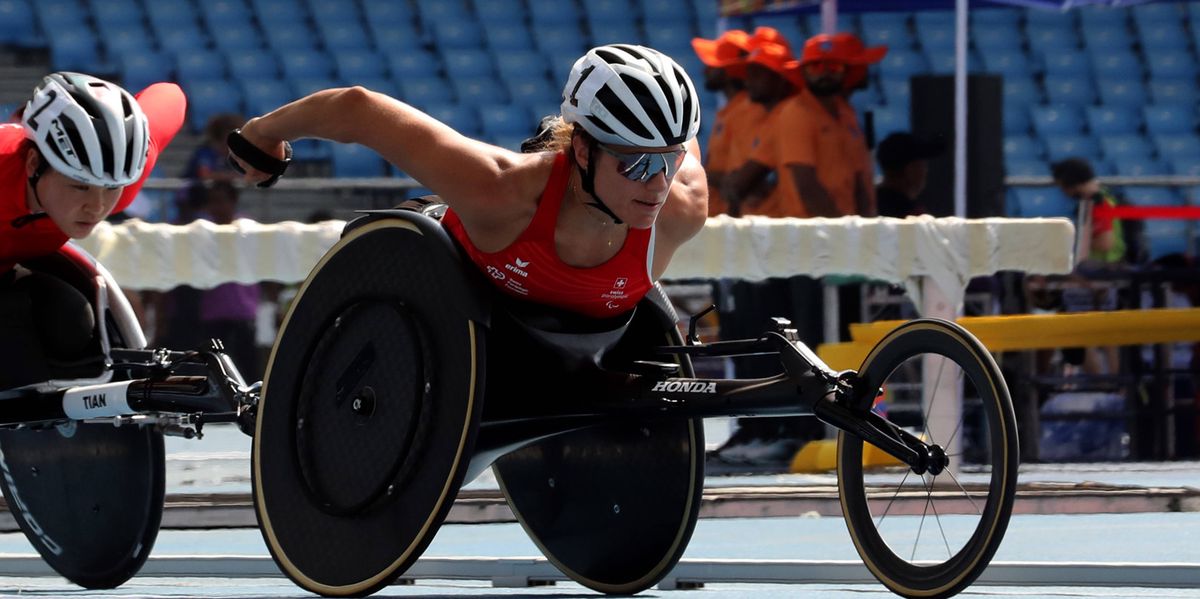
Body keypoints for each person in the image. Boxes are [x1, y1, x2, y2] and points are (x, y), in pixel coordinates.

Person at [230, 44, 707, 321]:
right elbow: (358, 109)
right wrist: (260, 135)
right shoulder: (498, 191)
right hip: (450, 291)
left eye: (671, 161)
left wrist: (655, 153)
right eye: (638, 165)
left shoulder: (683, 205)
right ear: (582, 150)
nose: (659, 184)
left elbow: (672, 149)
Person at [0, 72, 186, 389]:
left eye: (110, 188)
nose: (97, 206)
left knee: (70, 319)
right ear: (33, 164)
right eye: (79, 186)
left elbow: (170, 95)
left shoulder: (119, 175)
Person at [692, 29, 761, 217]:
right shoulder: (733, 110)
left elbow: (742, 182)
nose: (705, 70)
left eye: (712, 65)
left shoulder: (746, 111)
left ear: (729, 71)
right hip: (720, 217)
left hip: (732, 220)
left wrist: (700, 175)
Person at [875, 132, 946, 217]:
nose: (925, 171)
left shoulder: (866, 206)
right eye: (922, 164)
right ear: (910, 170)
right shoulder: (914, 217)